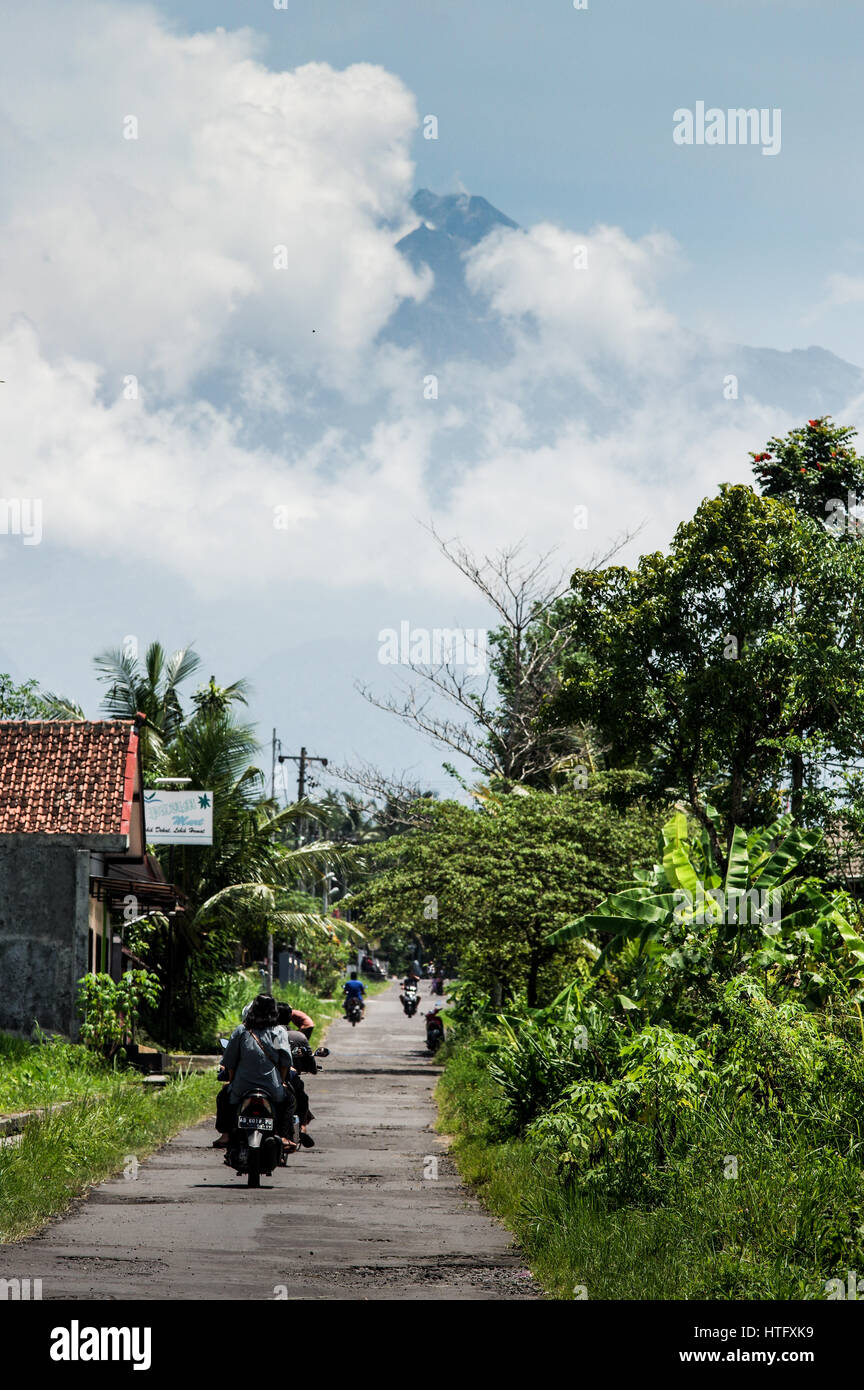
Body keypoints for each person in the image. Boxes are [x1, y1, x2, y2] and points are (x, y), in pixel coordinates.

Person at [213, 993, 297, 1151]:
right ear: (274, 1010)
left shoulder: (242, 1031)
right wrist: (283, 1081)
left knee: (223, 1097)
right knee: (289, 1101)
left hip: (242, 1086)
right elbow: (285, 1061)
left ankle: (225, 1135)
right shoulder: (278, 1032)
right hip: (272, 1087)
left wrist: (231, 1082)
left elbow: (230, 1061)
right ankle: (284, 1137)